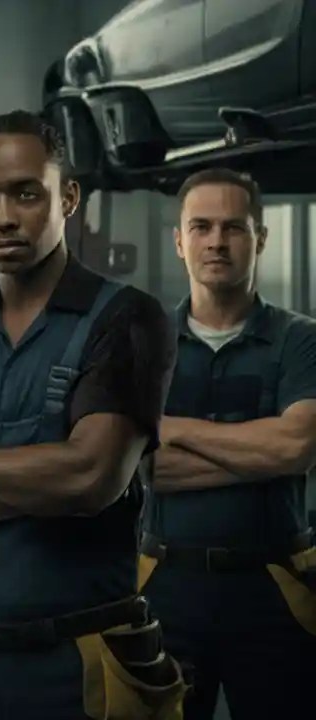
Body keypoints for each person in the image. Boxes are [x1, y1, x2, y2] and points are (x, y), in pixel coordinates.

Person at [0, 110, 186, 718]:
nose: (2, 216)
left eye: (26, 193)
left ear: (68, 197)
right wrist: (33, 480)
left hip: (84, 669)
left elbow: (90, 477)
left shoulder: (128, 319)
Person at [143, 168, 316, 720]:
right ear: (179, 241)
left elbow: (296, 448)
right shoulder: (145, 344)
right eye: (201, 227)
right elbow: (145, 469)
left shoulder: (301, 340)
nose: (216, 241)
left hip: (275, 588)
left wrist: (172, 428)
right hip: (166, 588)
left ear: (259, 238)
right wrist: (261, 452)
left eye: (233, 227)